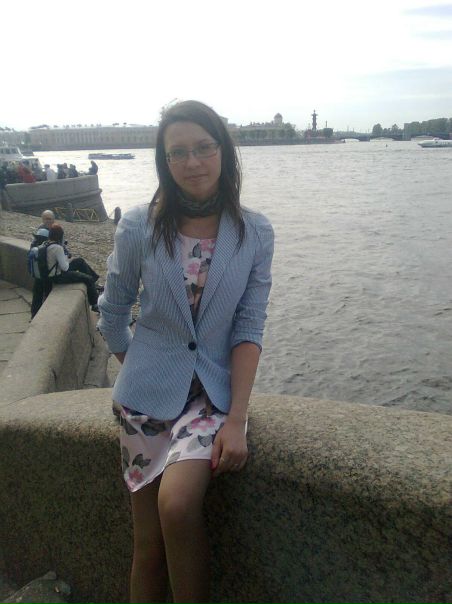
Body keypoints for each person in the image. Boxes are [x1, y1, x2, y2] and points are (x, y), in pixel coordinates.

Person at [97, 100, 274, 604]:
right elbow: (112, 311)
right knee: (148, 547)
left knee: (177, 506)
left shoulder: (254, 232)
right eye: (178, 152)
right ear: (164, 161)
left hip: (210, 400)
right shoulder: (139, 225)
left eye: (203, 147)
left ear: (224, 152)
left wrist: (237, 419)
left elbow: (249, 325)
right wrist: (138, 370)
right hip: (143, 402)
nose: (192, 162)